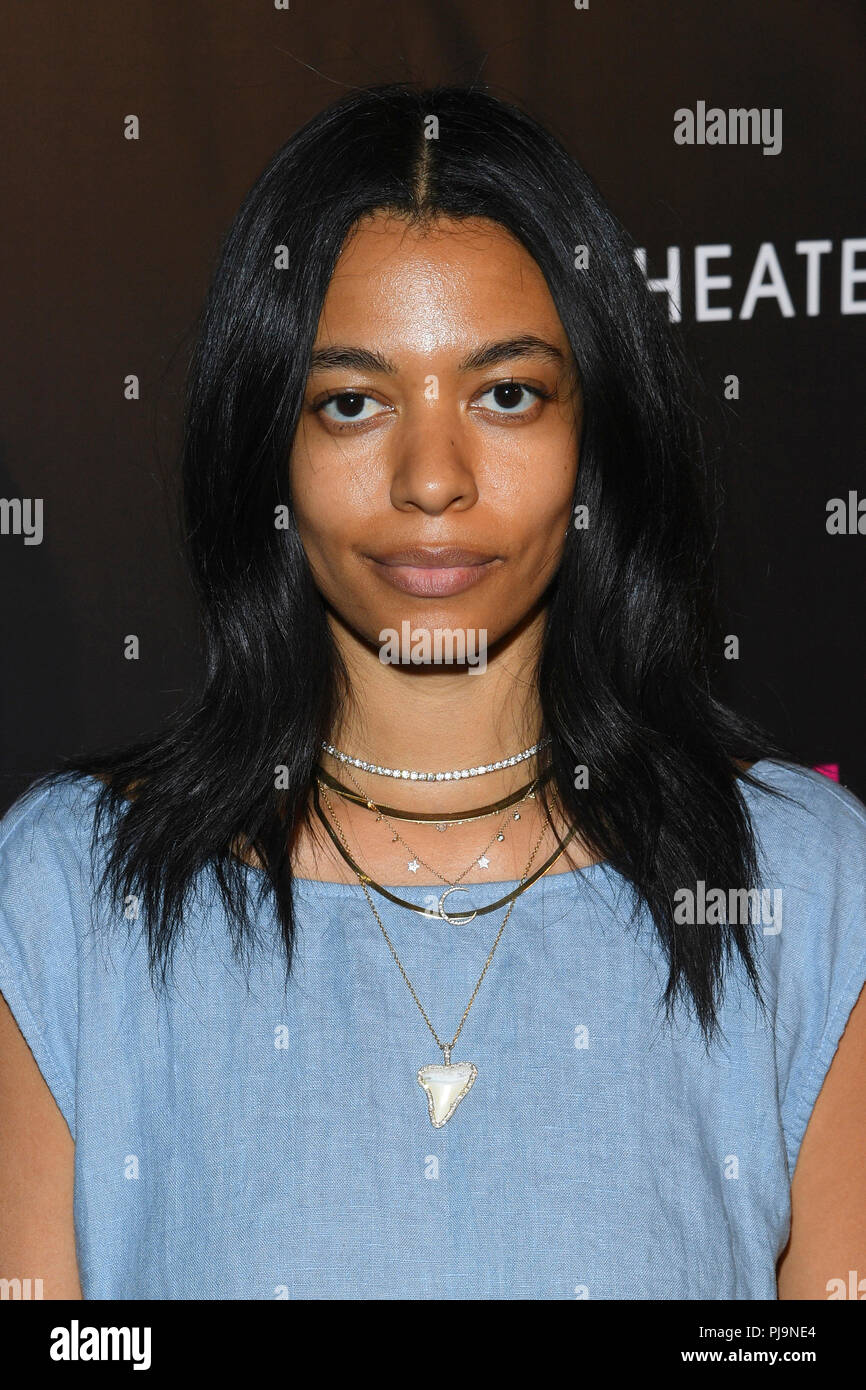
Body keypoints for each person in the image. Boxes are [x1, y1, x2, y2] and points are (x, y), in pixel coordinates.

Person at [1, 83, 864, 1302]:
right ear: (268, 446)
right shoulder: (68, 900)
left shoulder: (803, 885)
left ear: (595, 434)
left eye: (504, 392)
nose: (431, 480)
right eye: (351, 402)